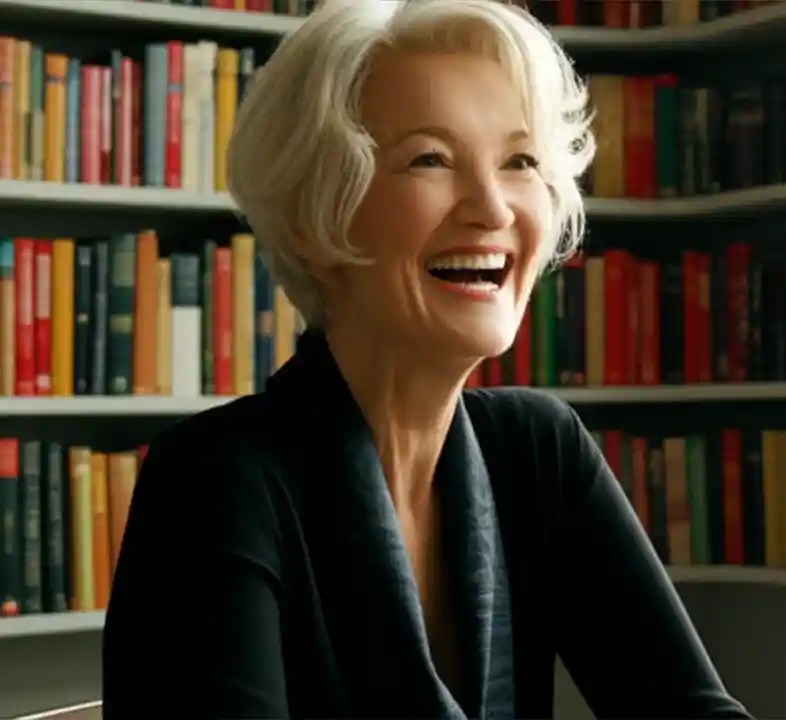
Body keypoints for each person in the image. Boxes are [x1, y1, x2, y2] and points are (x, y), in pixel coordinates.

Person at [100, 0, 753, 718]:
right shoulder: (214, 482)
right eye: (431, 159)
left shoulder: (540, 452)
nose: (493, 207)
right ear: (317, 214)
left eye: (520, 161)